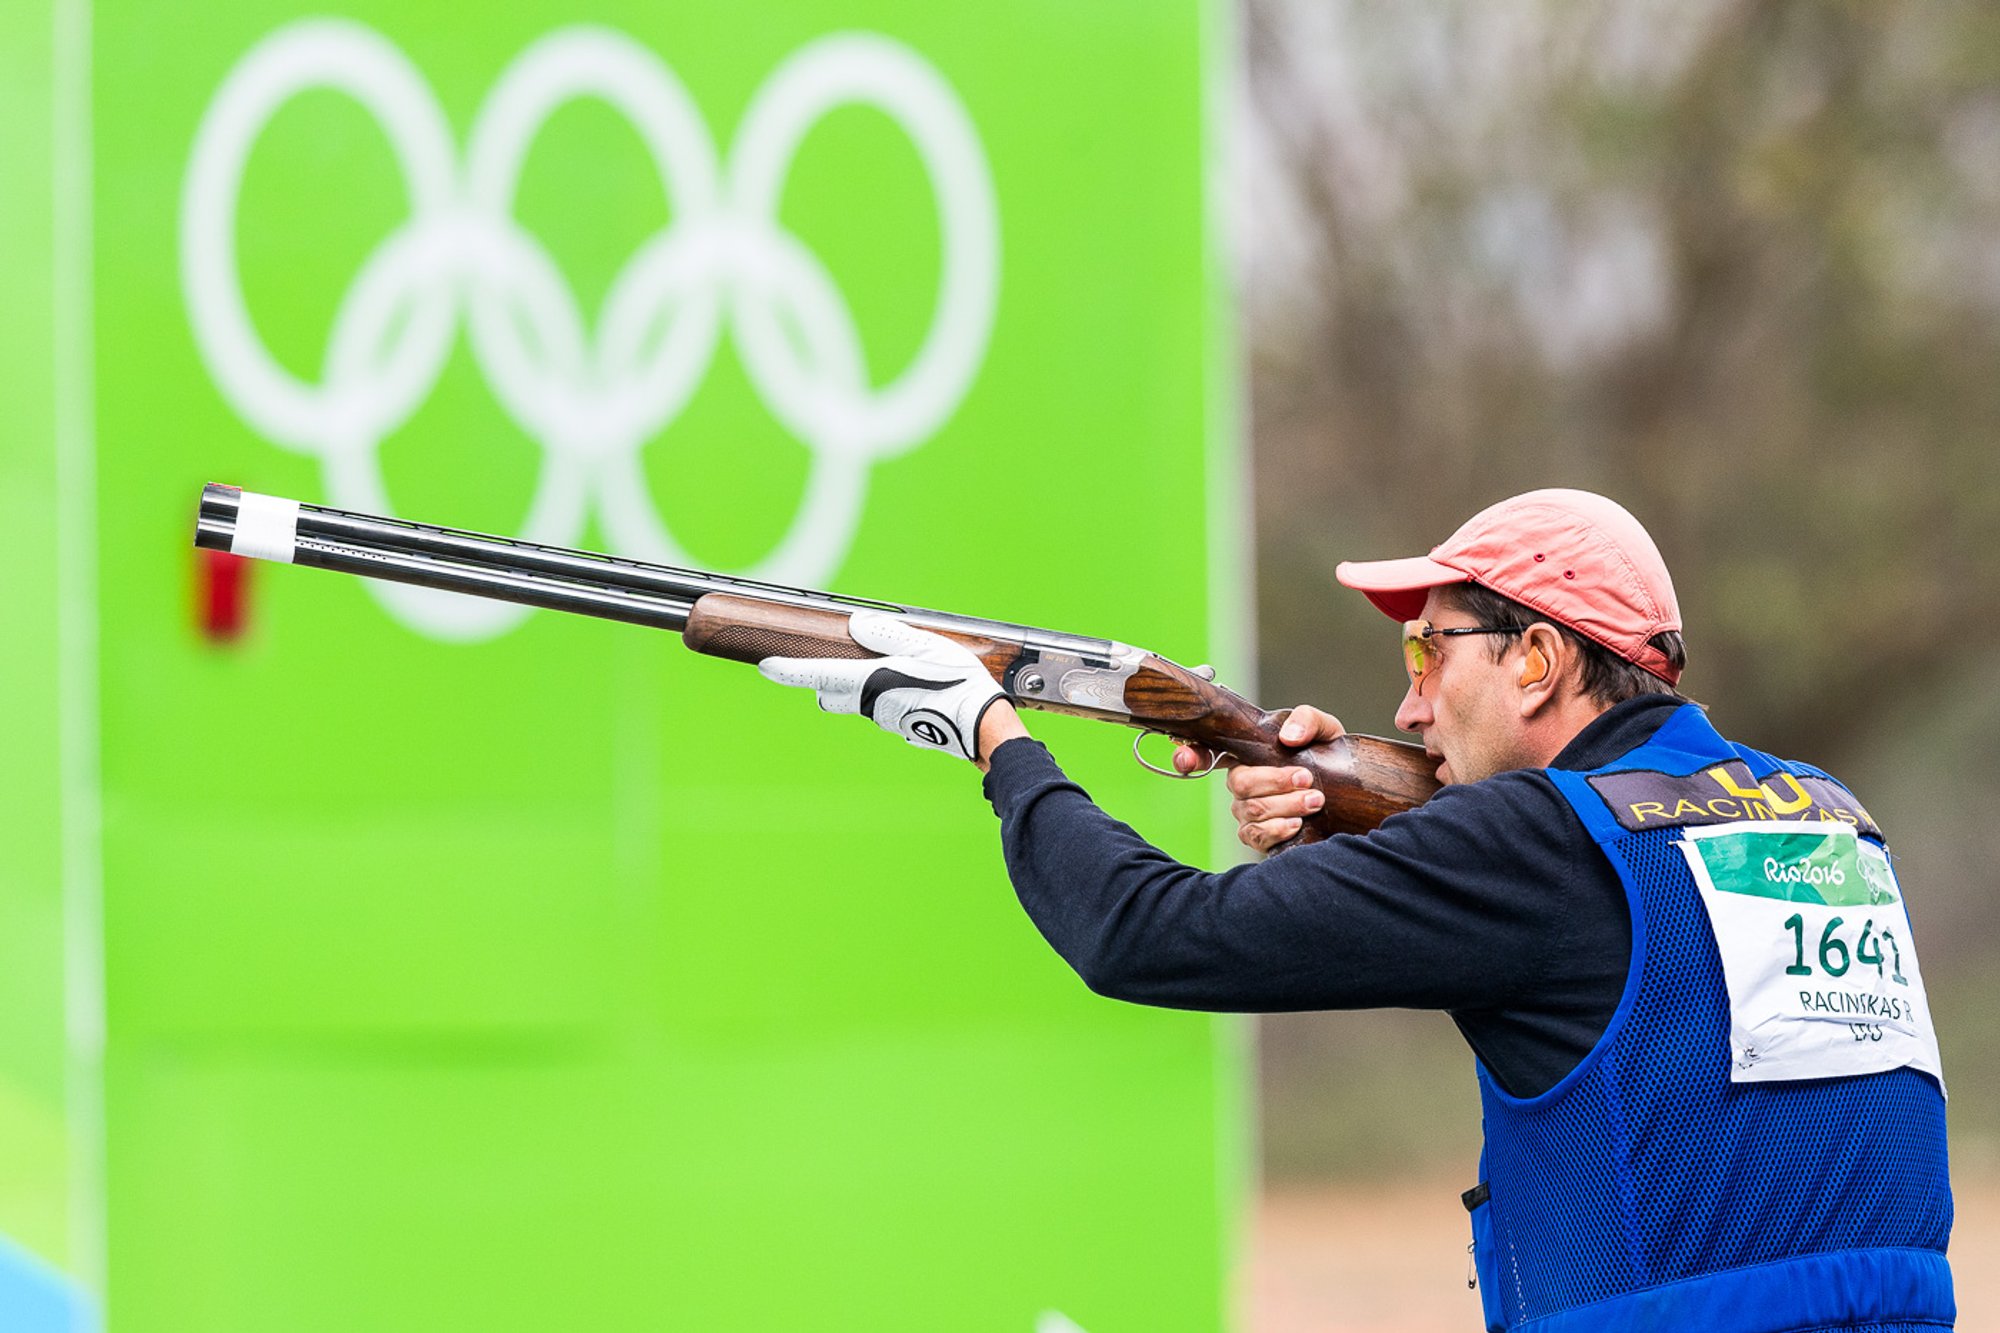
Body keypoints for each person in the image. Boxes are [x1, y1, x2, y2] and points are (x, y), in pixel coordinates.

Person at [757, 488, 1953, 1333]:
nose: (1411, 704)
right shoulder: (1826, 816)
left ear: (1536, 659)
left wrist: (994, 739)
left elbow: (1141, 934)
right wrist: (1355, 828)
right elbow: (1657, 1017)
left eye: (1430, 653)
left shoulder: (1529, 843)